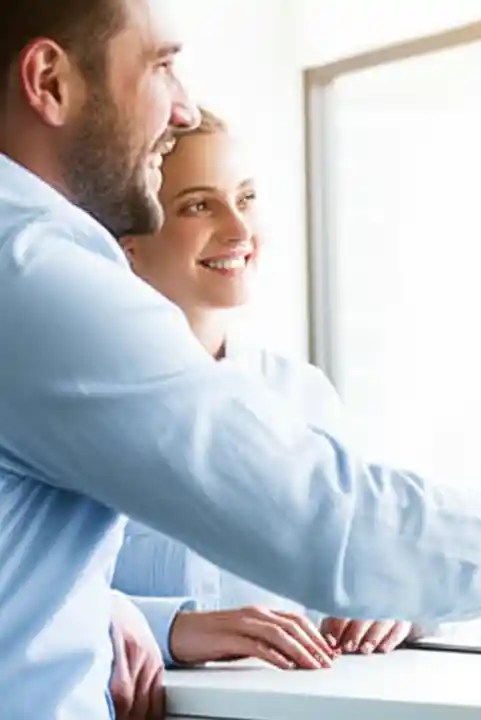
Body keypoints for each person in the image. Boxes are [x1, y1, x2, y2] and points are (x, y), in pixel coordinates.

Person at [0, 1, 481, 718]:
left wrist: (102, 607)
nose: (182, 107)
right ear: (49, 82)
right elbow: (337, 528)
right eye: (160, 65)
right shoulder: (37, 275)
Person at [108, 106, 419, 671]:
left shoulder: (302, 395)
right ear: (129, 243)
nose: (238, 229)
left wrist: (394, 596)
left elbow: (388, 554)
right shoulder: (71, 399)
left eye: (245, 198)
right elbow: (27, 592)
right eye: (198, 205)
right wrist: (171, 628)